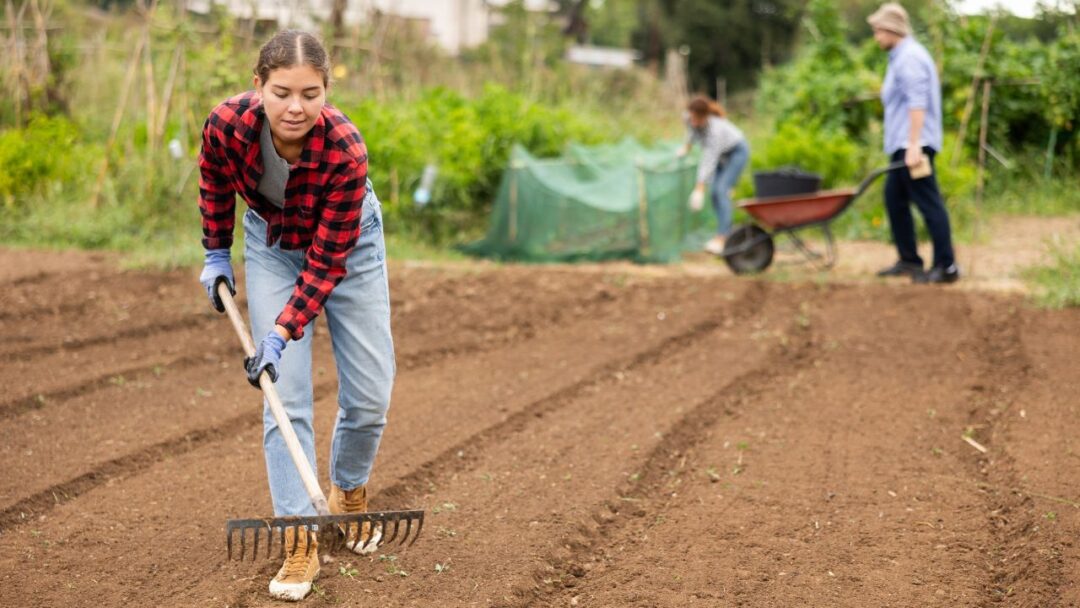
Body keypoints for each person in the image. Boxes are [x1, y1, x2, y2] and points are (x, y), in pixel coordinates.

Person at [197, 30, 395, 601]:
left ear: (327, 92)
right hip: (270, 243)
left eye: (311, 94)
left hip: (348, 246)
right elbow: (213, 179)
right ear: (258, 85)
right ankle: (298, 535)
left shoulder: (345, 149)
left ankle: (349, 491)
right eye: (282, 92)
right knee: (284, 394)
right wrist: (216, 251)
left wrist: (282, 329)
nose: (296, 107)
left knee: (371, 394)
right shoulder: (226, 125)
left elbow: (328, 263)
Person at [869, 3, 959, 283]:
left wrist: (914, 144)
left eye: (878, 31)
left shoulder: (909, 58)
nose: (876, 37)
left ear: (891, 29)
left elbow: (917, 103)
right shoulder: (899, 56)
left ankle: (947, 266)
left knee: (928, 202)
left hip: (913, 146)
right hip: (903, 144)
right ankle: (909, 260)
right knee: (894, 200)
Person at [677, 95, 750, 255]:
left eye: (697, 119)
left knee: (721, 191)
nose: (694, 121)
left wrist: (699, 188)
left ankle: (722, 237)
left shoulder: (714, 130)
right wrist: (687, 147)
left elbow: (709, 159)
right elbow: (691, 130)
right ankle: (724, 233)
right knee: (714, 193)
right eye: (692, 117)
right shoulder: (689, 118)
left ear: (705, 117)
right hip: (722, 156)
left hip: (736, 152)